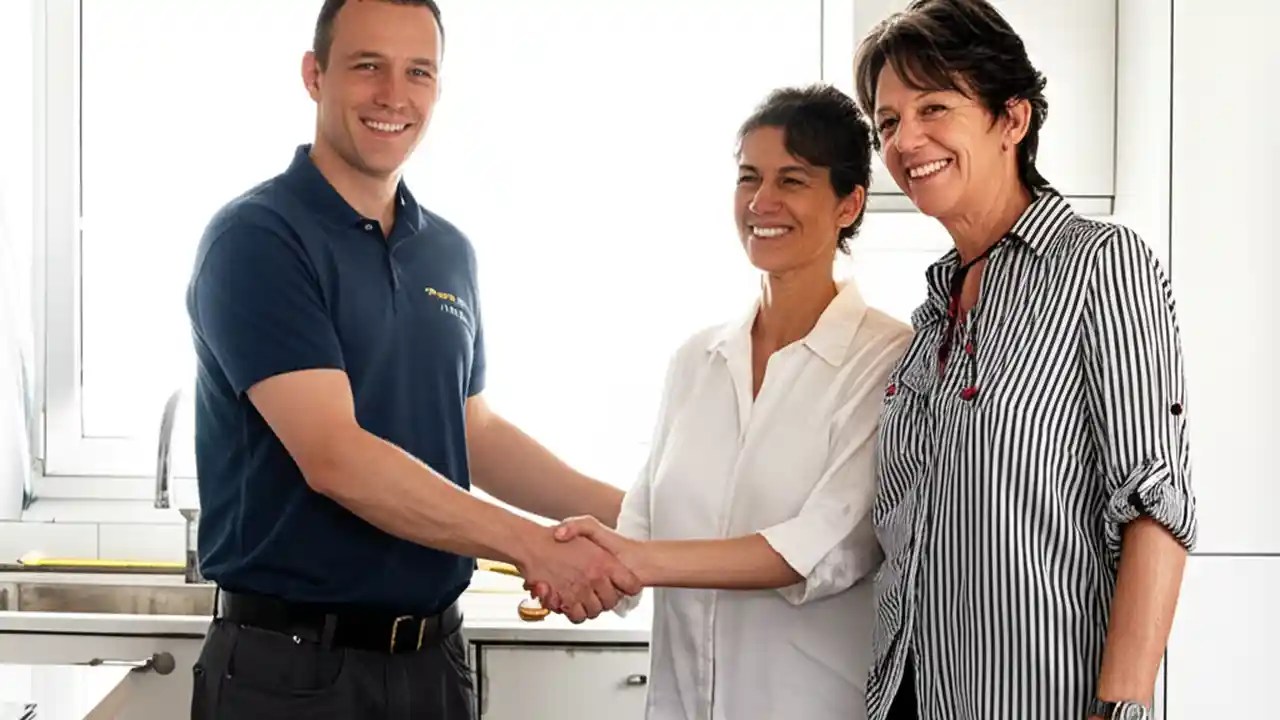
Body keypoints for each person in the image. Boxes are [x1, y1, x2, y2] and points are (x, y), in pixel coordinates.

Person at [184, 1, 639, 718]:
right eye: (368, 67)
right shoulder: (259, 240)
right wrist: (534, 547)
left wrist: (637, 517)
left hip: (433, 667)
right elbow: (335, 456)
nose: (394, 96)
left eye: (417, 72)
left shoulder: (448, 251)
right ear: (314, 75)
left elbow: (475, 434)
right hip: (292, 673)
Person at [850, 1, 1198, 719]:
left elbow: (1153, 508)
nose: (906, 141)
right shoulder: (931, 315)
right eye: (888, 123)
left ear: (1013, 119)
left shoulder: (1102, 265)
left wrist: (1121, 708)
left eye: (934, 108)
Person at [540, 85, 912, 720]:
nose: (762, 202)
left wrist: (633, 559)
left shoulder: (887, 358)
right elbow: (641, 527)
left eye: (792, 180)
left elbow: (821, 549)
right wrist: (574, 567)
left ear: (849, 204)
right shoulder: (696, 361)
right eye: (748, 177)